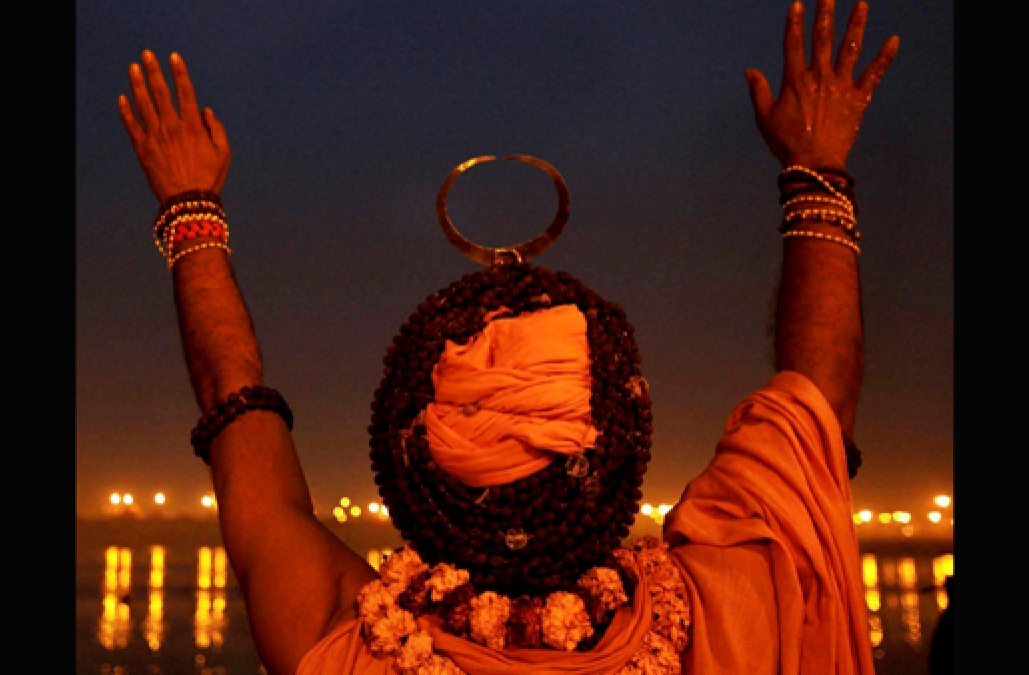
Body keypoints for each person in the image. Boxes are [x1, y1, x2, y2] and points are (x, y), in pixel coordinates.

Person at [116, 0, 898, 673]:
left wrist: (191, 204)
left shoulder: (337, 637)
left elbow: (231, 391)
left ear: (408, 466)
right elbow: (818, 397)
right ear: (622, 451)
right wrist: (816, 165)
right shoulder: (722, 616)